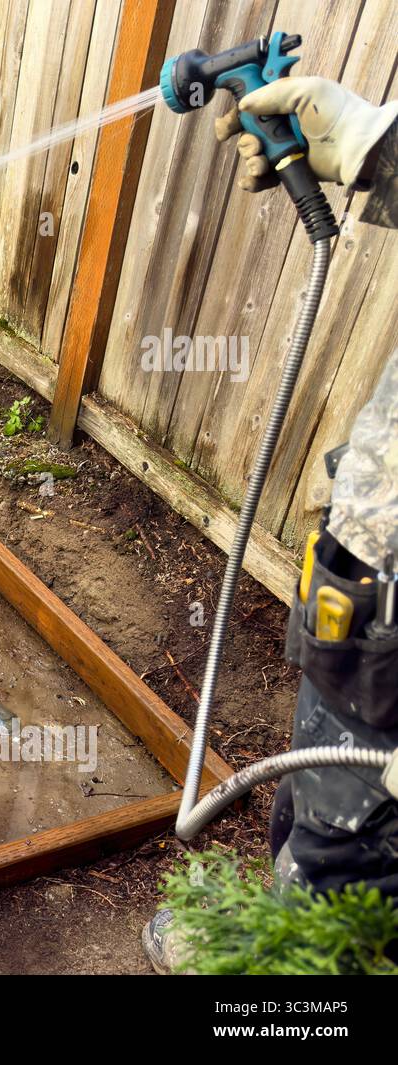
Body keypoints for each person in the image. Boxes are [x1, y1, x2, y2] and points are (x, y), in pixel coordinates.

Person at [143, 76, 398, 974]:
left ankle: (287, 996)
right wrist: (375, 146)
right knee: (324, 793)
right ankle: (281, 930)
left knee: (359, 878)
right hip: (375, 564)